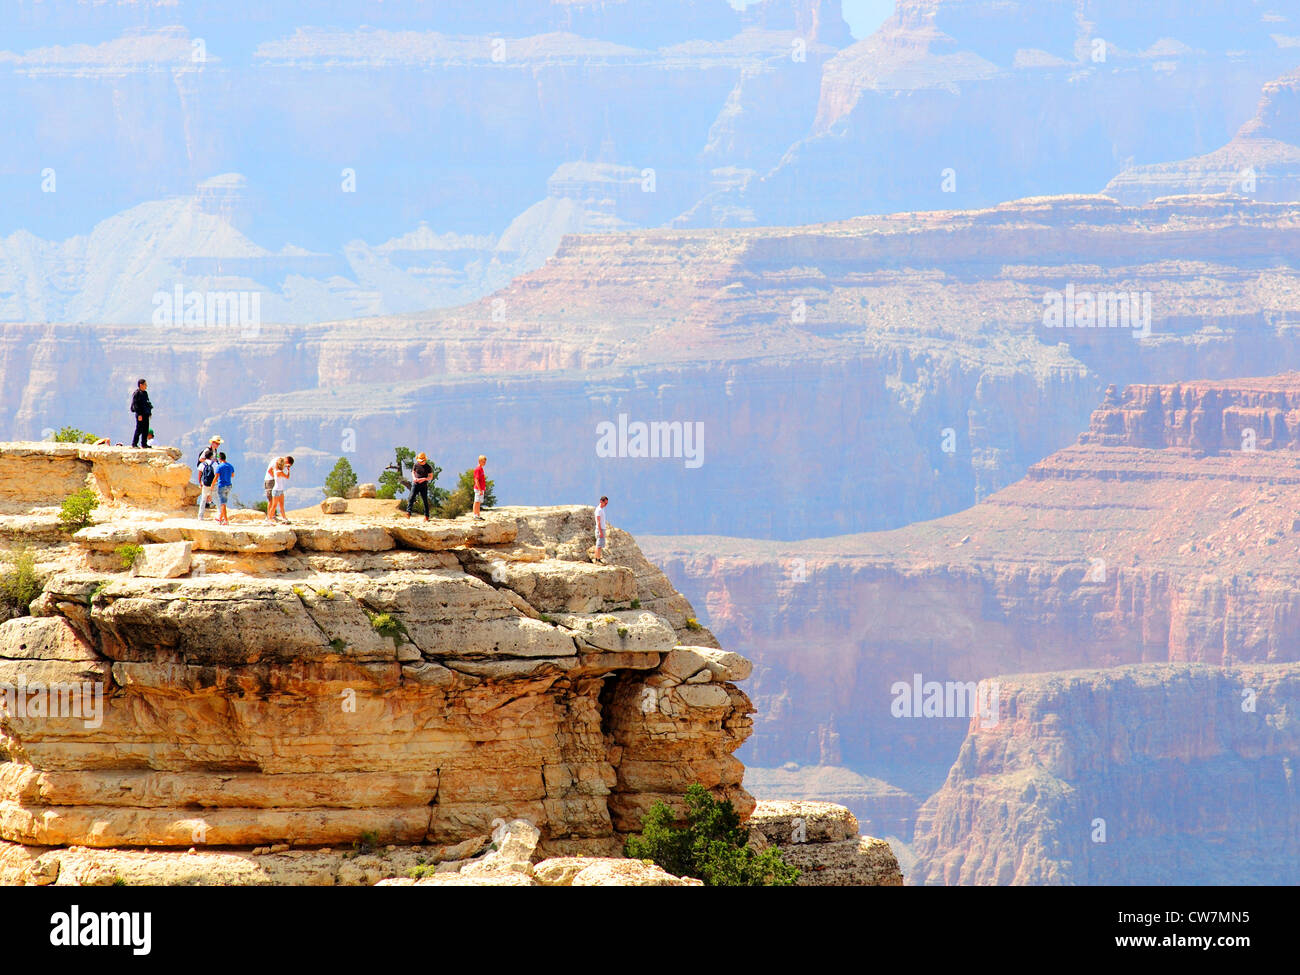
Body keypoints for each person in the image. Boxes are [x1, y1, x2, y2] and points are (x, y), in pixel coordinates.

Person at [195, 435, 222, 519]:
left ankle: (203, 512)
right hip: (206, 471)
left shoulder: (215, 451)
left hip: (209, 472)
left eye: (218, 444)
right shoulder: (207, 450)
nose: (217, 445)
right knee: (214, 496)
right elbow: (201, 459)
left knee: (205, 496)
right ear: (212, 443)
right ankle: (220, 513)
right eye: (216, 443)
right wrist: (210, 462)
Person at [409, 452, 434, 520]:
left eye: (422, 461)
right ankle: (408, 513)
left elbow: (431, 477)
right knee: (411, 497)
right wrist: (414, 478)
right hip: (416, 483)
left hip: (423, 485)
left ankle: (426, 516)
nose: (421, 462)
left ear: (425, 460)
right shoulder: (416, 465)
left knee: (424, 500)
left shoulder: (428, 467)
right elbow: (413, 472)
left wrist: (424, 479)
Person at [270, 455, 294, 524]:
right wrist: (288, 470)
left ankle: (284, 518)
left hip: (280, 490)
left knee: (280, 505)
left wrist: (286, 467)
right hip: (277, 490)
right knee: (275, 506)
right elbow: (287, 477)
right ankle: (270, 518)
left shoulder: (276, 470)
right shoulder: (279, 472)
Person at [130, 379, 152, 448]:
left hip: (145, 414)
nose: (146, 386)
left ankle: (144, 444)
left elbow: (147, 403)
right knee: (139, 429)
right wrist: (139, 414)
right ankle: (134, 443)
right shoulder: (137, 393)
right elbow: (135, 404)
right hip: (140, 414)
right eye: (145, 384)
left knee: (145, 429)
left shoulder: (145, 393)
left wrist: (149, 412)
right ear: (141, 385)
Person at [216, 452, 235, 525]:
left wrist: (212, 485)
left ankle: (226, 520)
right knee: (224, 502)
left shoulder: (220, 466)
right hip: (229, 485)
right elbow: (232, 475)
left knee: (223, 504)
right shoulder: (230, 466)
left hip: (222, 486)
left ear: (220, 458)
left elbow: (216, 476)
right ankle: (220, 518)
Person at [593, 496, 609, 564]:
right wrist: (600, 531)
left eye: (606, 503)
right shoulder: (599, 510)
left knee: (600, 545)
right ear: (601, 501)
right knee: (598, 545)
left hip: (602, 528)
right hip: (600, 529)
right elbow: (598, 521)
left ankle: (598, 558)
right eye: (605, 503)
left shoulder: (601, 509)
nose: (606, 505)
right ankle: (597, 559)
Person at [472, 455, 487, 520]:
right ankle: (475, 515)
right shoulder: (478, 469)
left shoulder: (481, 468)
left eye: (485, 462)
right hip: (478, 489)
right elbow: (476, 480)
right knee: (476, 501)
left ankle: (478, 515)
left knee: (479, 502)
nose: (484, 463)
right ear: (479, 461)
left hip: (481, 488)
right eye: (483, 462)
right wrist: (480, 489)